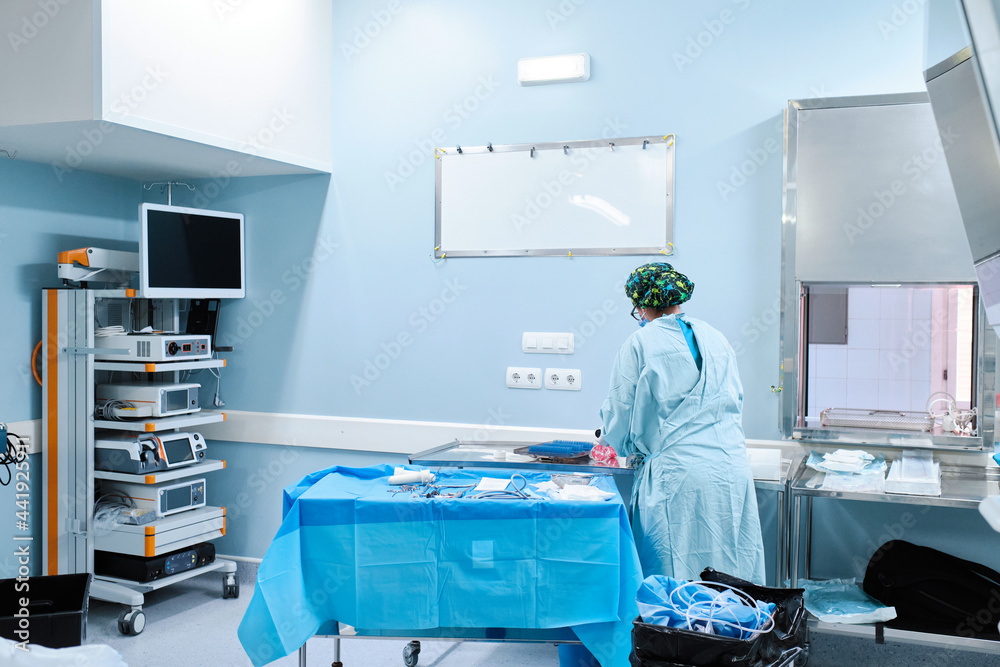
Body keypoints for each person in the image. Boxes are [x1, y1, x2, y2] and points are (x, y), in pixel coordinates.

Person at [600, 262, 765, 584]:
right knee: (731, 572)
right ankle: (731, 632)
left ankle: (678, 634)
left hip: (678, 477)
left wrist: (610, 443)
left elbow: (620, 411)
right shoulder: (715, 337)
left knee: (674, 575)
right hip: (728, 470)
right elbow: (734, 400)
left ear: (641, 305)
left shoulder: (641, 343)